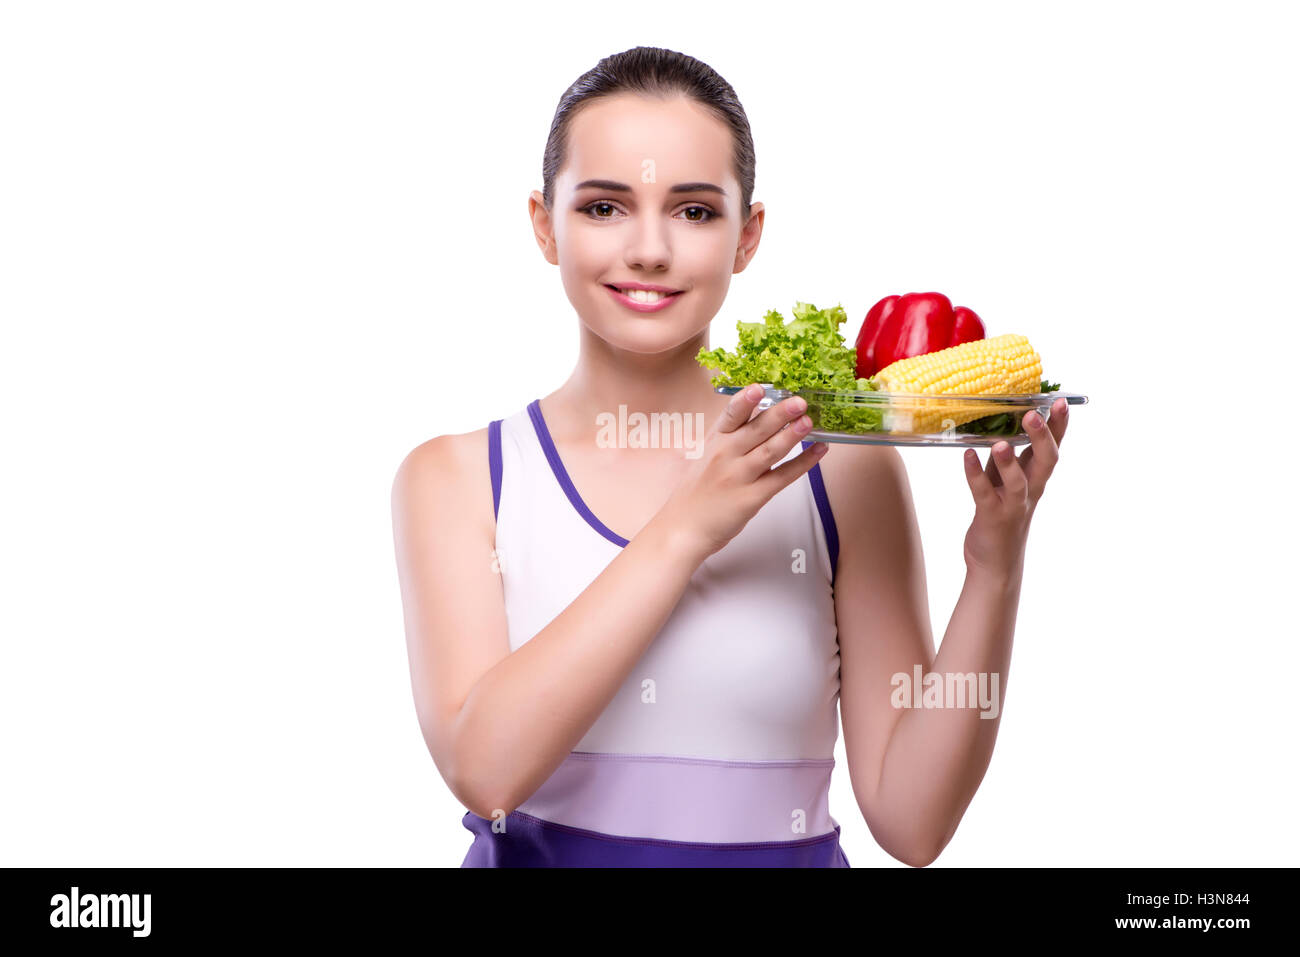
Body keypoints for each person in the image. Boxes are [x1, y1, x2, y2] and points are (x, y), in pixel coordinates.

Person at [390, 45, 1069, 867]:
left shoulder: (839, 468)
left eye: (695, 211)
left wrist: (994, 566)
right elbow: (485, 769)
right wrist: (687, 526)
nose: (648, 249)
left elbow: (911, 819)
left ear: (747, 236)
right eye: (604, 207)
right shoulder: (460, 478)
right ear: (544, 224)